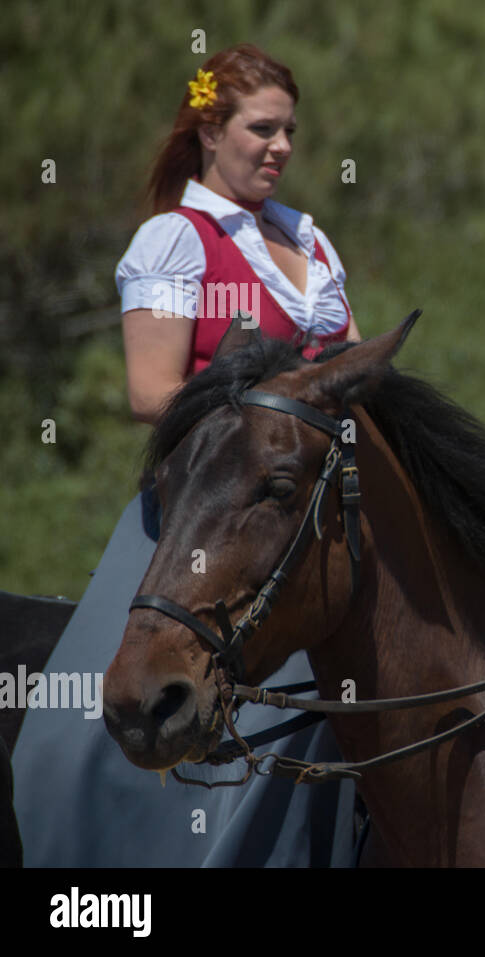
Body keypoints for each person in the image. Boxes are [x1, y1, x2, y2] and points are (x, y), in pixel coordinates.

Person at [11, 44, 360, 866]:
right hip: (206, 507)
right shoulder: (175, 238)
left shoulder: (309, 239)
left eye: (289, 133)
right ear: (211, 130)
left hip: (316, 510)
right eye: (262, 129)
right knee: (74, 732)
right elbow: (149, 389)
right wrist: (262, 431)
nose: (280, 147)